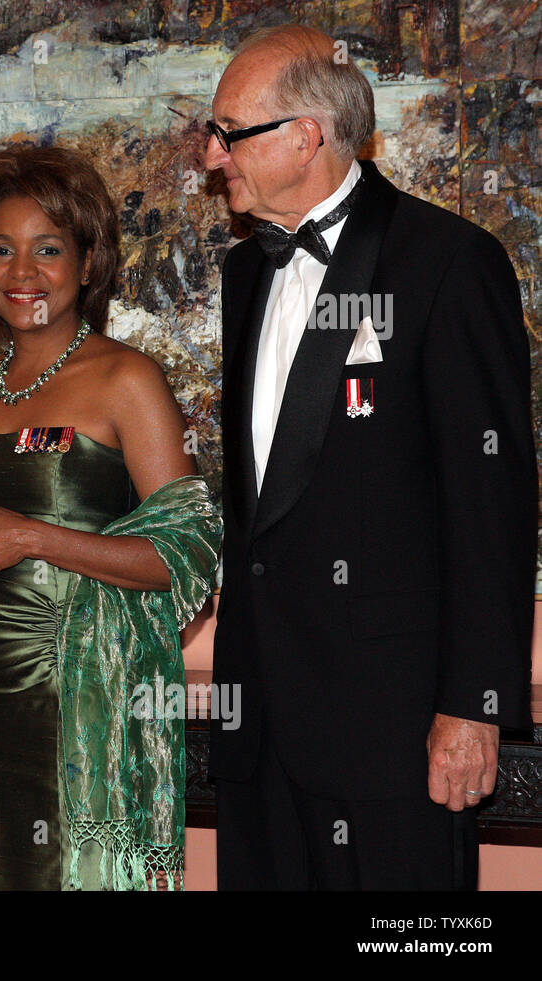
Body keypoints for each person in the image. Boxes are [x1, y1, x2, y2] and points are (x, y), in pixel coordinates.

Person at [206, 25, 535, 890]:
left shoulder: (448, 262)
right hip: (260, 726)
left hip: (396, 731)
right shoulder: (246, 275)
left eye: (229, 131)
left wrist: (473, 707)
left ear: (306, 135)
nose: (211, 153)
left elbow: (490, 502)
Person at [0, 145, 222, 890]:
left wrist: (38, 537)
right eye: (0, 250)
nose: (22, 273)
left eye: (47, 249)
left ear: (88, 260)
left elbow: (191, 554)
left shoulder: (125, 378)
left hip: (76, 715)